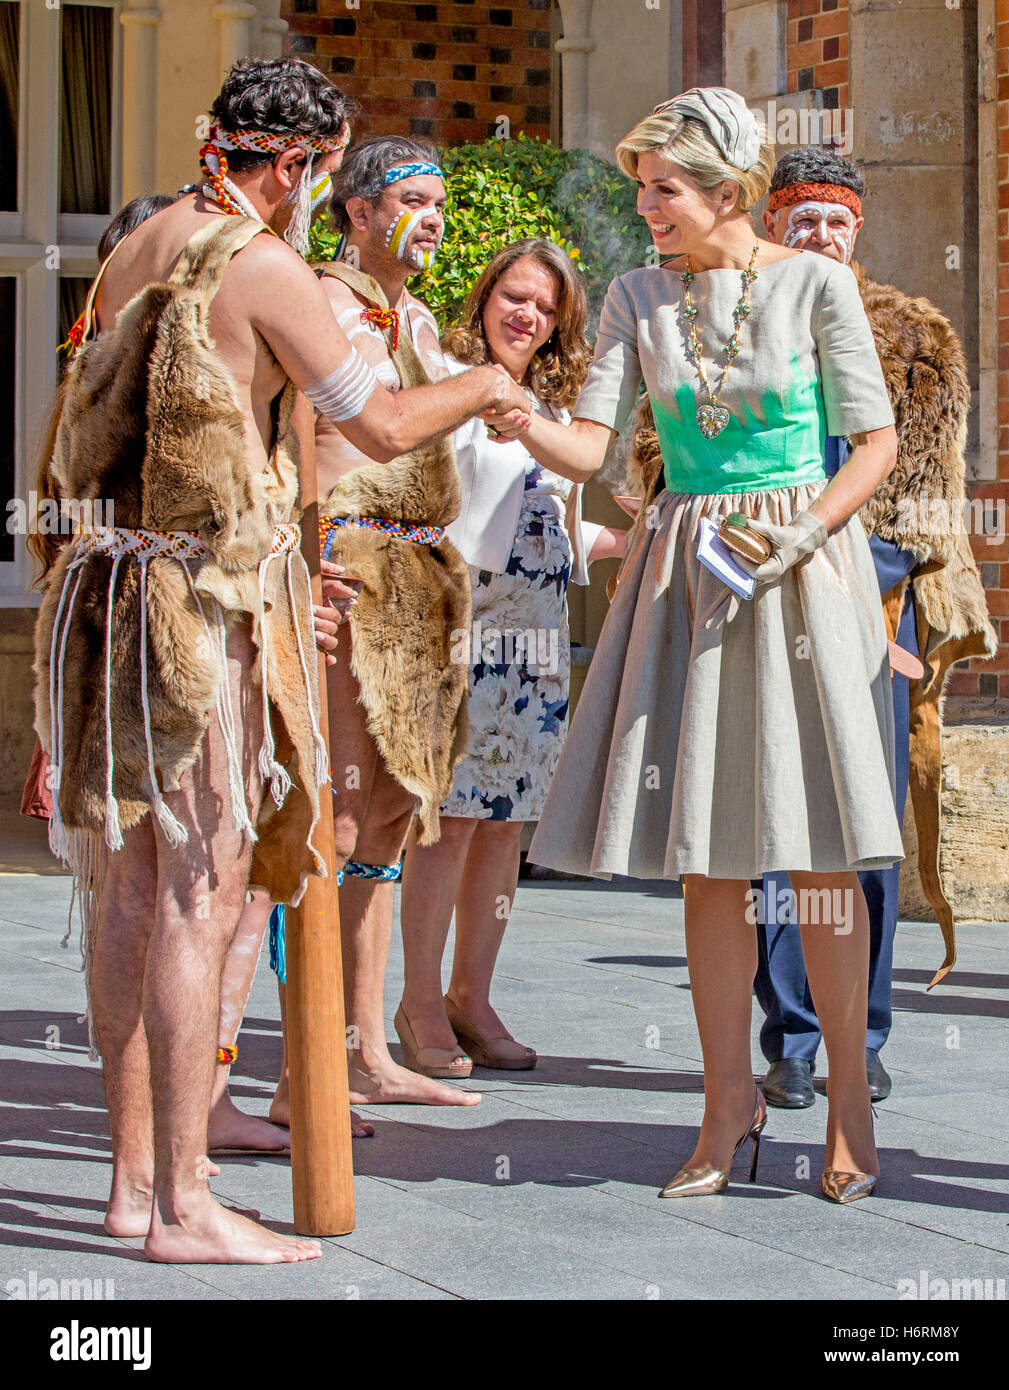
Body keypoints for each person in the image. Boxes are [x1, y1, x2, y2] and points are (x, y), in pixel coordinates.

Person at [33, 57, 531, 1266]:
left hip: (102, 589)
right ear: (305, 164)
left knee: (134, 893)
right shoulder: (265, 266)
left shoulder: (138, 249)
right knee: (202, 897)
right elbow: (380, 424)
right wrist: (485, 379)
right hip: (195, 606)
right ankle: (186, 1203)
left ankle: (129, 1188)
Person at [488, 87, 902, 1204]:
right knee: (707, 859)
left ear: (726, 190)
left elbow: (875, 442)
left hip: (801, 564)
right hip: (685, 575)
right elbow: (590, 440)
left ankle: (849, 1117)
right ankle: (725, 1105)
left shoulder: (814, 283)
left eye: (662, 188)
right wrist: (513, 412)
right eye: (639, 187)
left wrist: (806, 533)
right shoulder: (632, 295)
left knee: (818, 853)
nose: (644, 206)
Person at [740, 147, 997, 1108]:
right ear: (772, 224)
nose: (817, 235)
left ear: (858, 229)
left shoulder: (913, 338)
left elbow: (923, 497)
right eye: (799, 219)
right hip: (757, 600)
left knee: (866, 831)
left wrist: (889, 619)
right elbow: (666, 460)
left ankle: (864, 1028)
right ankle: (794, 1038)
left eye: (834, 220)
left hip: (872, 613)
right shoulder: (729, 319)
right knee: (773, 828)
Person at [267, 134, 484, 1113]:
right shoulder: (317, 299)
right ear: (355, 211)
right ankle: (298, 1072)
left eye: (439, 199)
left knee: (394, 817)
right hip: (348, 571)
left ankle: (362, 1047)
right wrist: (302, 569)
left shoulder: (416, 314)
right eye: (411, 197)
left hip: (418, 577)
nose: (431, 216)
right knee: (343, 813)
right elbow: (316, 441)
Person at [396, 239, 626, 1075]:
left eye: (543, 306)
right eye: (513, 296)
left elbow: (552, 526)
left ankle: (471, 996)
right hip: (462, 630)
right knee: (447, 828)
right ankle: (418, 1002)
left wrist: (626, 543)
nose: (524, 313)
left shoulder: (554, 410)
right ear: (486, 297)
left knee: (504, 832)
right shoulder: (447, 382)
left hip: (535, 646)